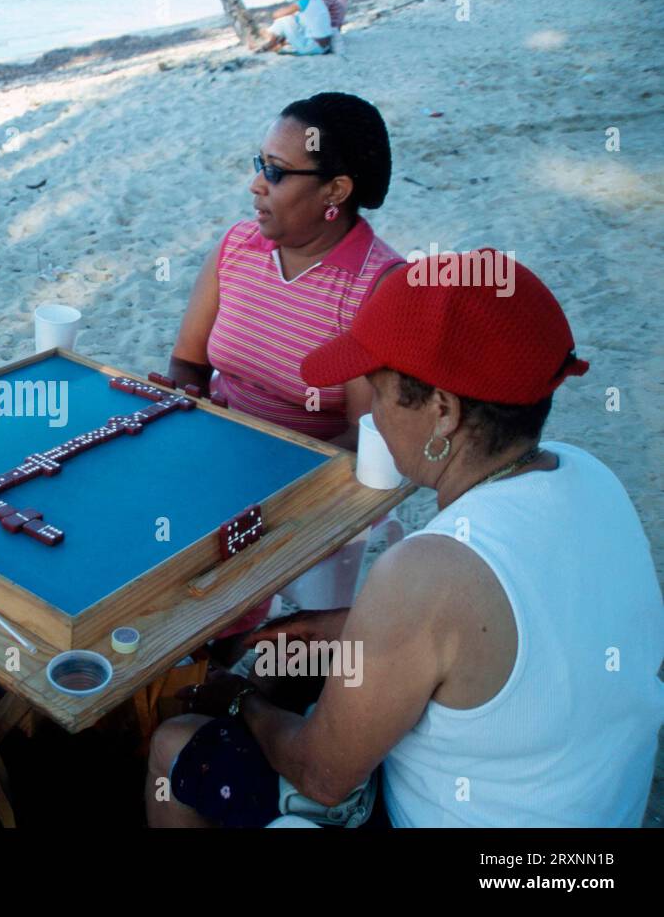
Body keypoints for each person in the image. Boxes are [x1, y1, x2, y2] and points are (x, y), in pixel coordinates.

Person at [147, 252, 664, 828]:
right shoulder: (589, 474)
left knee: (178, 744)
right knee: (288, 657)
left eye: (377, 385)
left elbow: (323, 774)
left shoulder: (428, 570)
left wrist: (240, 702)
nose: (367, 406)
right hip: (594, 811)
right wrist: (356, 622)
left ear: (443, 412)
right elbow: (520, 630)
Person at [168, 92, 402, 632]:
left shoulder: (378, 287)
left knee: (200, 597)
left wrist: (257, 467)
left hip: (306, 485)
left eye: (276, 172)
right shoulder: (237, 247)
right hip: (218, 457)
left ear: (336, 191)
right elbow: (188, 362)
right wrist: (184, 400)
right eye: (259, 165)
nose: (256, 185)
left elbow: (367, 438)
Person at [255, 0, 335, 56]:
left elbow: (276, 15)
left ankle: (271, 43)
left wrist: (285, 7)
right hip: (325, 46)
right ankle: (273, 42)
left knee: (284, 19)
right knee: (292, 18)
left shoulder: (302, 3)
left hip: (312, 47)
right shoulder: (317, 0)